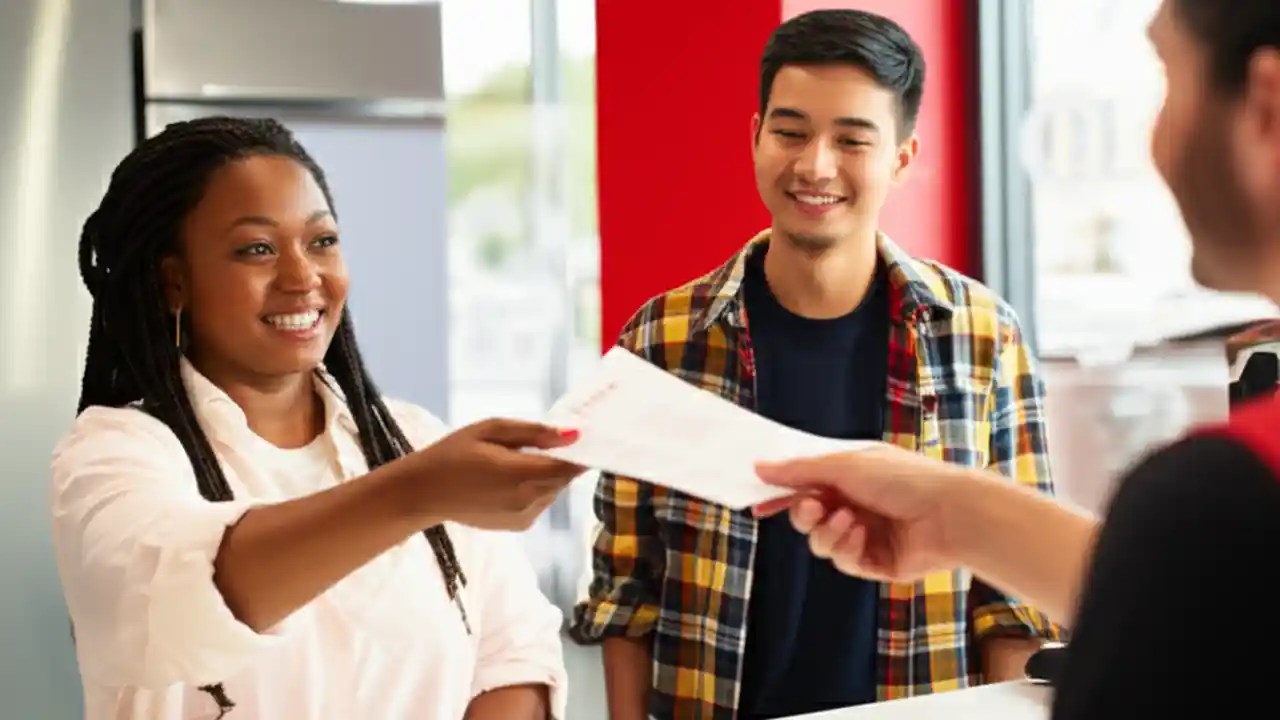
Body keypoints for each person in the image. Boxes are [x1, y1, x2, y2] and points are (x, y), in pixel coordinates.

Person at [754, 0, 1280, 717]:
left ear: (1266, 107)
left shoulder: (1221, 499)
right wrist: (956, 512)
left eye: (1168, 77)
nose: (1153, 142)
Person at [571, 9, 1063, 719]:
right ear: (755, 136)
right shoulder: (662, 339)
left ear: (901, 157)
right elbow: (625, 587)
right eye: (791, 132)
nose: (814, 165)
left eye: (852, 140)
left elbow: (1013, 599)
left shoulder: (982, 337)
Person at [50, 116, 583, 720]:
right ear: (175, 282)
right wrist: (419, 493)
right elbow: (179, 594)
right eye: (257, 249)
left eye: (321, 241)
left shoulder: (412, 439)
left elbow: (512, 658)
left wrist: (425, 484)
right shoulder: (114, 453)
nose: (303, 278)